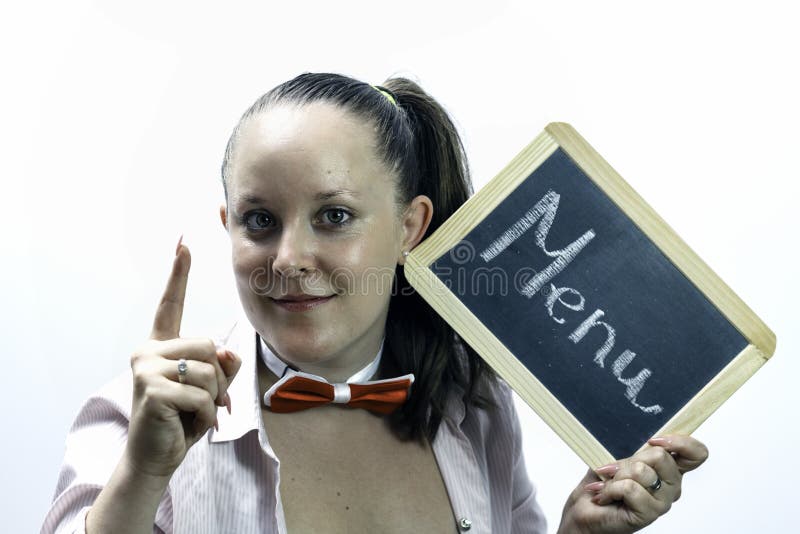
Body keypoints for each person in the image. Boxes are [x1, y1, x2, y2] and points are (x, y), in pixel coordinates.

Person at [42, 73, 708, 533]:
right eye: (259, 220)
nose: (288, 259)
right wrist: (145, 468)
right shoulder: (138, 418)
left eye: (333, 215)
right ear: (227, 224)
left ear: (409, 228)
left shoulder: (473, 404)